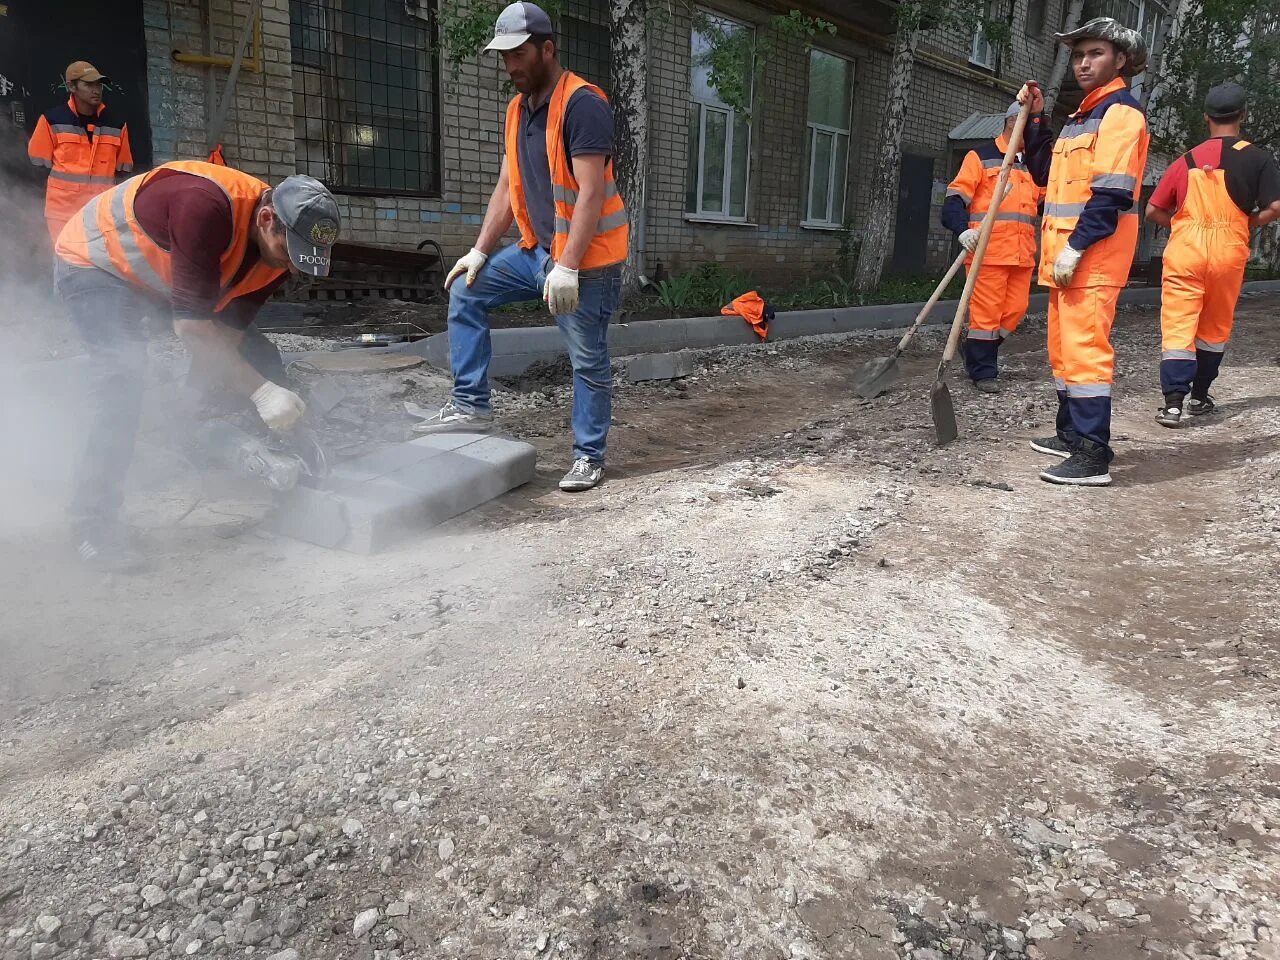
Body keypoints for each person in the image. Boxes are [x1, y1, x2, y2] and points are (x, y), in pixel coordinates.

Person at [53, 159, 341, 571]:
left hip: (157, 276)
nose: (294, 267)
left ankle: (295, 469)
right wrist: (261, 393)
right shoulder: (203, 205)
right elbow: (191, 328)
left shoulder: (279, 253)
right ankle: (91, 525)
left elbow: (227, 337)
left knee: (260, 357)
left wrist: (191, 404)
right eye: (291, 253)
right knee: (123, 374)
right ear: (266, 219)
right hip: (94, 262)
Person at [413, 1, 629, 493]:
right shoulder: (518, 109)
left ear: (547, 49)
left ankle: (588, 456)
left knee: (587, 358)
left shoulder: (583, 105)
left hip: (587, 262)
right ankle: (471, 404)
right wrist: (481, 251)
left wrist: (569, 267)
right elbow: (507, 184)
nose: (510, 67)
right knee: (466, 291)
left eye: (519, 55)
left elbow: (592, 193)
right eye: (504, 56)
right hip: (535, 252)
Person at [1019, 17, 1150, 487]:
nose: (1083, 63)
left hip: (1090, 257)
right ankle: (1071, 433)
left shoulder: (1121, 115)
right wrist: (1034, 119)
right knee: (1062, 351)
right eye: (1078, 55)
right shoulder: (1080, 119)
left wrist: (1075, 247)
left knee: (1086, 353)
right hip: (1063, 258)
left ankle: (1094, 453)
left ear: (1121, 60)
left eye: (1094, 53)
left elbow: (1111, 194)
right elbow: (1041, 173)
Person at [1145, 83, 1280, 427]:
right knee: (1214, 326)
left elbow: (1152, 211)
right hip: (1227, 250)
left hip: (1185, 250)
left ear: (1206, 117)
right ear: (1243, 115)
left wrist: (1182, 224)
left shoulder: (1185, 159)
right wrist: (1245, 222)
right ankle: (1200, 397)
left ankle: (1173, 403)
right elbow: (1275, 207)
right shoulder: (1259, 158)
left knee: (1178, 323)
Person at [941, 101, 1042, 393]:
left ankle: (975, 350)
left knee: (1015, 311)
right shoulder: (981, 157)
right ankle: (984, 371)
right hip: (988, 252)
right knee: (986, 314)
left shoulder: (1033, 166)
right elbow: (954, 200)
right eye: (1031, 127)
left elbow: (1047, 200)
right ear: (1014, 123)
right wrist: (962, 231)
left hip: (1022, 255)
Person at [27, 61, 134, 244]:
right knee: (65, 262)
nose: (96, 90)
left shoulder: (117, 124)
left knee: (97, 265)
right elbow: (37, 169)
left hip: (100, 213)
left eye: (99, 84)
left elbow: (123, 172)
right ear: (71, 86)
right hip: (63, 213)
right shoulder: (52, 120)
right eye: (88, 84)